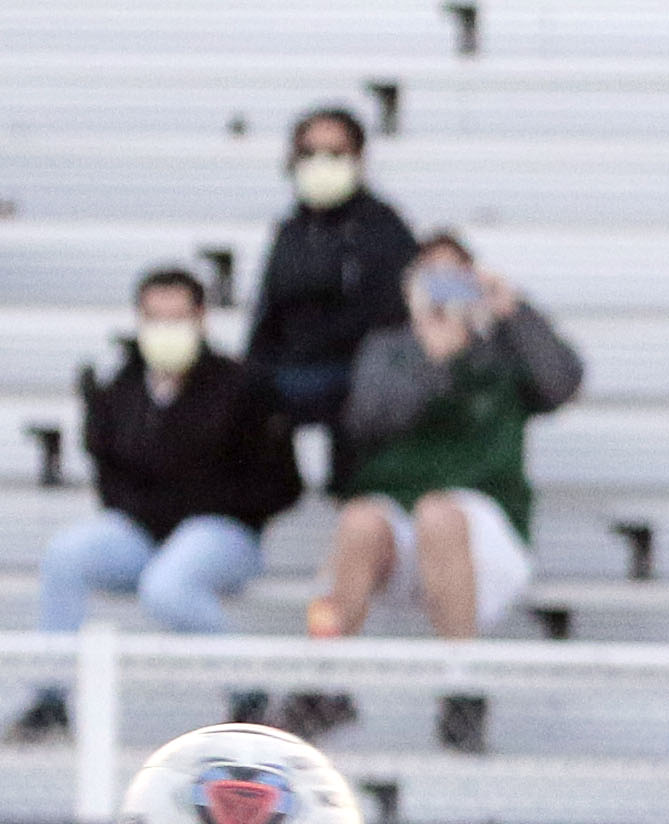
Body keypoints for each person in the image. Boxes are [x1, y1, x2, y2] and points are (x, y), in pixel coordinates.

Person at [305, 233, 585, 749]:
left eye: (454, 277)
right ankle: (325, 681)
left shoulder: (504, 346)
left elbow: (562, 384)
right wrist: (430, 367)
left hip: (483, 533)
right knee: (360, 520)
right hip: (403, 532)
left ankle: (462, 689)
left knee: (440, 514)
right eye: (429, 277)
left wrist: (514, 312)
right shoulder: (389, 349)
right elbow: (366, 421)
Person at [13, 267, 300, 740]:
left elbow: (279, 483)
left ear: (202, 318)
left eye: (178, 317)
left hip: (223, 533)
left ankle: (250, 695)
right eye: (155, 318)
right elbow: (110, 477)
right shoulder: (121, 389)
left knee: (167, 584)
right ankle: (50, 699)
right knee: (66, 555)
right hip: (145, 534)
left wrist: (202, 501)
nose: (166, 330)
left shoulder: (241, 386)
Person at [244, 106, 417, 458]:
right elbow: (268, 315)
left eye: (335, 153)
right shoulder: (292, 231)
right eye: (310, 153)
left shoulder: (384, 227)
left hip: (357, 372)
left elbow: (394, 317)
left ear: (358, 159)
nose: (321, 163)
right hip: (292, 370)